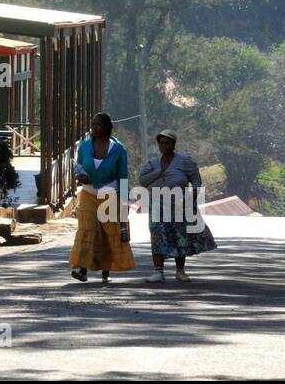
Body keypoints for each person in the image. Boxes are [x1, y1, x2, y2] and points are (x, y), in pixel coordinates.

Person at [138, 129, 217, 282]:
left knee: (179, 236)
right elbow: (143, 181)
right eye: (161, 143)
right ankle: (158, 272)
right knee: (157, 235)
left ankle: (180, 271)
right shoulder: (153, 164)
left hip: (179, 203)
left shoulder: (185, 161)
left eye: (167, 143)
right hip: (158, 204)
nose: (163, 146)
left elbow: (196, 180)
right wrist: (158, 173)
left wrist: (191, 196)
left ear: (174, 145)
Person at [68, 112, 136, 282]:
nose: (94, 128)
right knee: (87, 230)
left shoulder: (119, 150)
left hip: (111, 194)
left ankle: (106, 271)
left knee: (108, 233)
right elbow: (79, 166)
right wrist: (79, 175)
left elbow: (123, 175)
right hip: (88, 194)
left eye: (98, 125)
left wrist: (125, 201)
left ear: (107, 126)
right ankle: (83, 270)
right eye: (92, 125)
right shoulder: (84, 146)